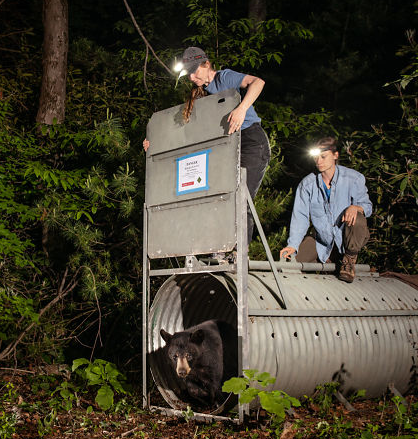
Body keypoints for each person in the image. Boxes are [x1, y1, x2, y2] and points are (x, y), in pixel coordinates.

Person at [143, 46, 271, 250]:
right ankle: (220, 249)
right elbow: (183, 131)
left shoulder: (224, 78)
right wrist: (154, 144)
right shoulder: (199, 95)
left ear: (207, 64)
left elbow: (258, 82)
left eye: (196, 71)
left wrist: (241, 108)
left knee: (241, 198)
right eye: (189, 73)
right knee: (217, 197)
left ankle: (239, 254)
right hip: (223, 148)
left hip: (250, 142)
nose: (192, 77)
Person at [279, 136, 372, 283]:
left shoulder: (353, 178)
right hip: (321, 241)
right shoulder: (307, 184)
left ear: (335, 155)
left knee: (358, 216)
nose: (319, 161)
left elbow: (367, 206)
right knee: (289, 266)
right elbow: (300, 217)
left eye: (323, 157)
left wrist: (355, 207)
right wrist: (292, 245)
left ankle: (349, 260)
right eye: (316, 157)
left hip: (346, 240)